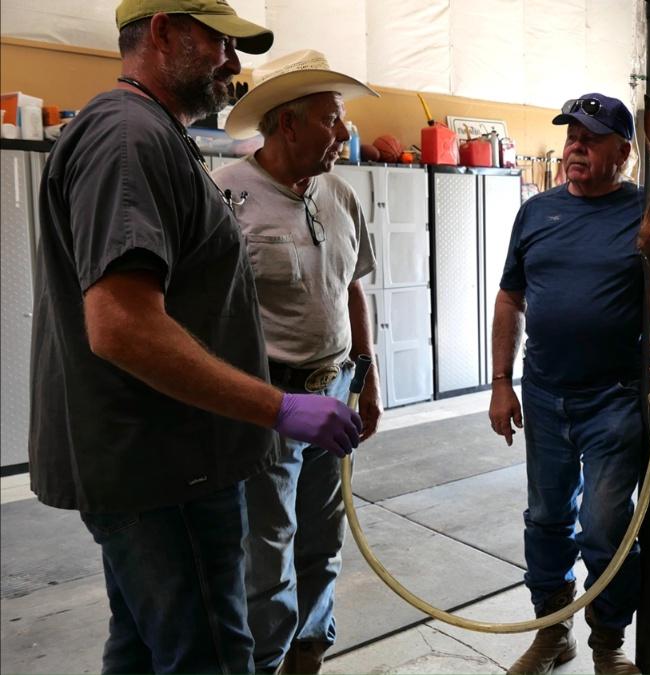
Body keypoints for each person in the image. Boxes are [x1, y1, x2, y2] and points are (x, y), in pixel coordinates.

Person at [28, 2, 362, 672]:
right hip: (166, 469)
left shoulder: (151, 135)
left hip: (162, 465)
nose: (233, 64)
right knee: (208, 652)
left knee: (143, 650)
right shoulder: (128, 139)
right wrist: (277, 406)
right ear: (162, 32)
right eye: (219, 44)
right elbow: (122, 324)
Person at [216, 49, 381, 674]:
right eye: (331, 119)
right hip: (271, 403)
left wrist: (367, 382)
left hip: (335, 390)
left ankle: (308, 654)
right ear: (286, 124)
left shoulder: (339, 193)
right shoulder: (225, 194)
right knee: (267, 547)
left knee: (323, 539)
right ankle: (266, 658)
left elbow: (353, 288)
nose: (344, 133)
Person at [489, 93, 645, 675]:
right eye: (571, 135)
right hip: (545, 395)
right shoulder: (536, 212)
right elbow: (510, 297)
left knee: (606, 525)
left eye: (591, 137)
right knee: (546, 518)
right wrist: (501, 382)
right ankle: (553, 632)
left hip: (616, 398)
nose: (575, 145)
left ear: (623, 152)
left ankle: (608, 644)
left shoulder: (647, 213)